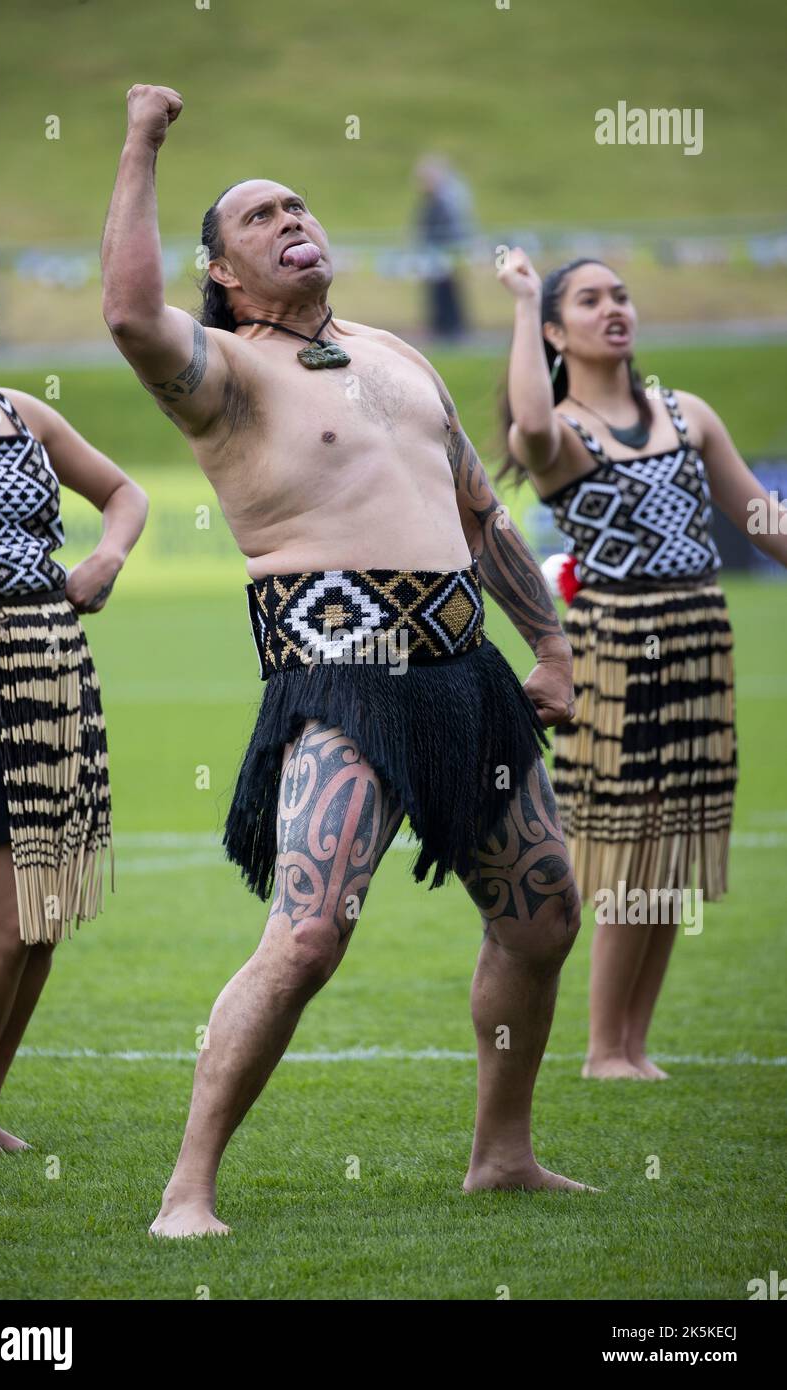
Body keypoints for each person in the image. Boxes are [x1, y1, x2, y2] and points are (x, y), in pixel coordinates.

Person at [102, 85, 587, 1239]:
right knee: (310, 932)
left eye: (298, 203)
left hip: (466, 673)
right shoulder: (220, 369)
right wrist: (142, 141)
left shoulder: (392, 352)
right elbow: (126, 314)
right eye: (260, 218)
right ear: (222, 271)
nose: (290, 219)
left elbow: (479, 507)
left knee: (541, 921)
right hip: (341, 676)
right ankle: (187, 1190)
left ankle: (501, 1155)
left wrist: (555, 643)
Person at [497, 249, 787, 1081]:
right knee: (629, 842)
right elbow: (531, 426)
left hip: (701, 638)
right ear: (557, 331)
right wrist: (521, 303)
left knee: (678, 837)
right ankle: (600, 1048)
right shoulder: (561, 433)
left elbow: (762, 516)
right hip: (617, 648)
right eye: (588, 301)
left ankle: (635, 1044)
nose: (613, 308)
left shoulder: (686, 412)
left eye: (620, 295)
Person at [0, 200, 148, 1154]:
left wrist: (106, 558)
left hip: (50, 678)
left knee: (43, 920)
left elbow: (125, 493)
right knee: (7, 918)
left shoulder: (25, 414)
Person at [414, 156, 473, 340]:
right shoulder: (443, 198)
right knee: (441, 291)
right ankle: (445, 327)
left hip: (443, 254)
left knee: (445, 291)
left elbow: (447, 228)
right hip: (439, 254)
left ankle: (450, 329)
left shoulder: (444, 200)